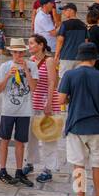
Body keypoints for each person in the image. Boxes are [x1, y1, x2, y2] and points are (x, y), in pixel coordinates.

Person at [58, 41, 99, 196]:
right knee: (97, 164)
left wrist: (71, 99)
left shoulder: (69, 75)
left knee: (78, 165)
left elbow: (61, 100)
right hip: (97, 126)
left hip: (76, 125)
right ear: (94, 59)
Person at [0, 39, 36, 187]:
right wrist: (7, 76)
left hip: (25, 111)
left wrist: (26, 72)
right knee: (4, 140)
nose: (18, 55)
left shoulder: (31, 66)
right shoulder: (4, 66)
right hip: (8, 110)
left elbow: (33, 87)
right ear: (11, 52)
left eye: (21, 52)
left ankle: (19, 171)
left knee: (20, 142)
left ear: (24, 52)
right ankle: (2, 170)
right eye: (16, 52)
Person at [27, 33, 61, 184]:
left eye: (32, 43)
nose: (30, 46)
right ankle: (30, 162)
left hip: (47, 102)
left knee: (49, 136)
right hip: (32, 103)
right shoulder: (31, 61)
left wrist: (48, 104)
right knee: (31, 136)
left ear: (41, 45)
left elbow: (52, 82)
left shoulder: (49, 61)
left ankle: (48, 168)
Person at [55, 3, 87, 80]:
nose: (63, 12)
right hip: (80, 57)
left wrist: (56, 55)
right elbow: (86, 42)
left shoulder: (65, 24)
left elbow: (60, 40)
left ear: (70, 11)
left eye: (65, 10)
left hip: (66, 57)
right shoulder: (83, 25)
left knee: (64, 80)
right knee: (77, 80)